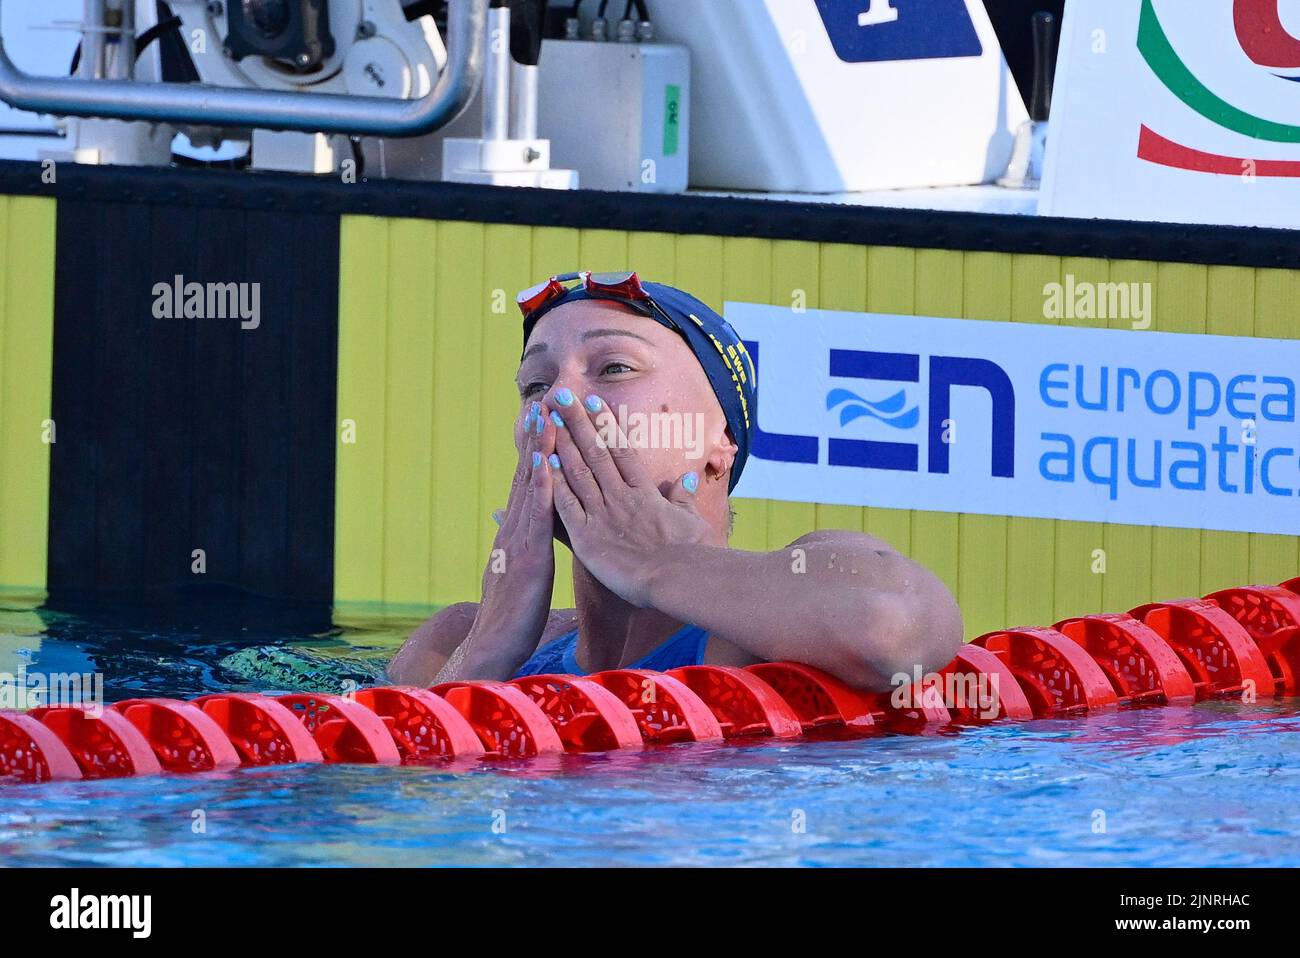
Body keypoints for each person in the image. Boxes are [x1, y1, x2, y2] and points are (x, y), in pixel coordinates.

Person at [388, 272, 962, 690]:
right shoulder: (454, 639)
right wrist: (489, 648)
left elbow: (895, 629)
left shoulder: (764, 631)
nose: (560, 403)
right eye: (535, 385)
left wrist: (655, 561)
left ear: (718, 444)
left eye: (614, 367)